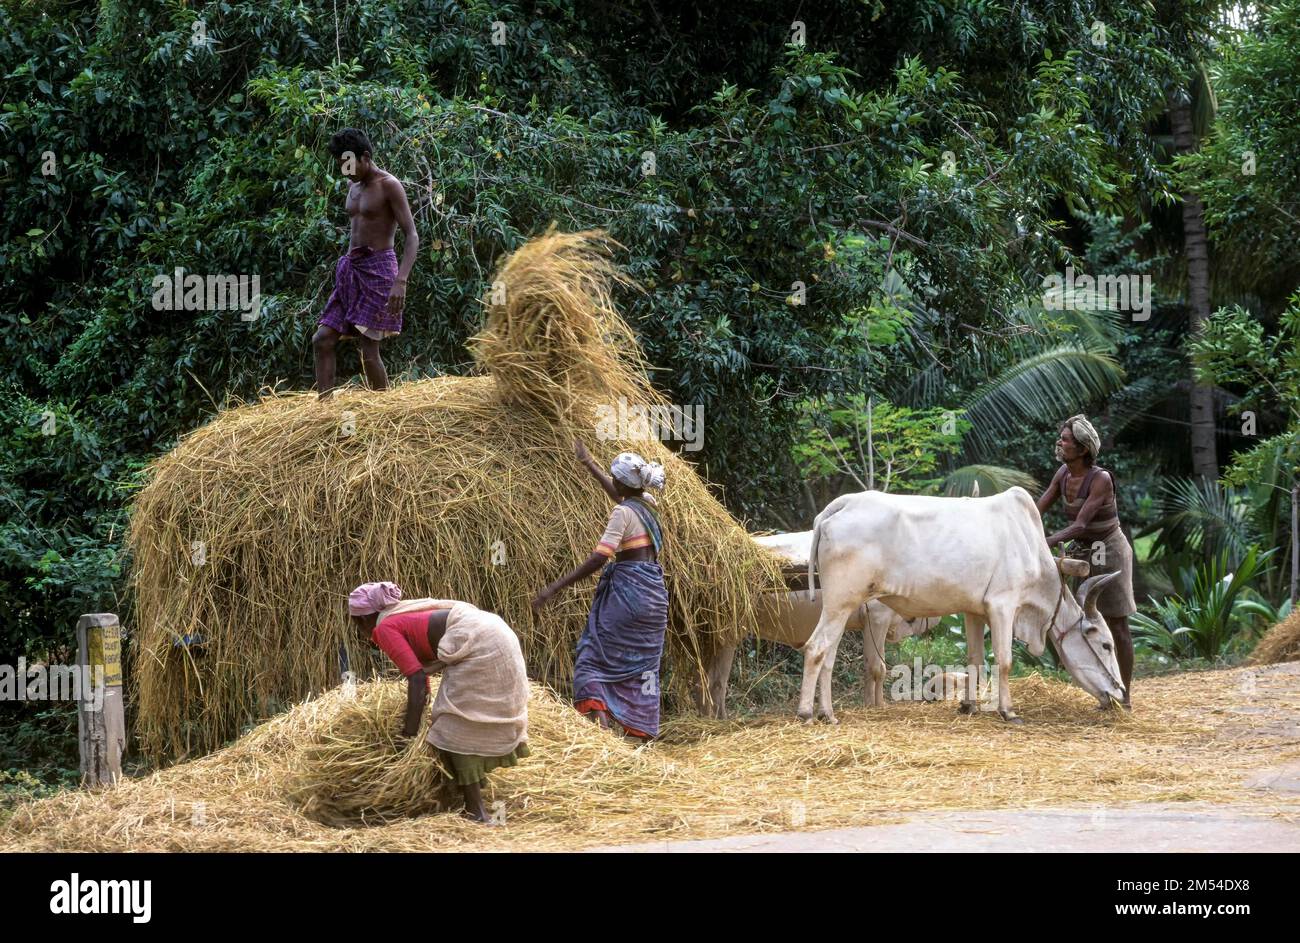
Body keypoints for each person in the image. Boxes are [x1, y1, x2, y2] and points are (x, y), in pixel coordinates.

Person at [348, 581, 529, 822]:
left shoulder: (384, 629)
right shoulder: (403, 613)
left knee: (454, 727)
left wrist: (409, 735)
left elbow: (416, 679)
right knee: (456, 721)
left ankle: (476, 811)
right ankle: (464, 801)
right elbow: (422, 674)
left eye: (357, 626)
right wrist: (422, 709)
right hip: (495, 632)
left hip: (480, 643)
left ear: (362, 621)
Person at [531, 442, 669, 741]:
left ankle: (602, 740)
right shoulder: (647, 506)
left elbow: (599, 558)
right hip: (655, 597)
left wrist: (553, 588)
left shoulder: (622, 513)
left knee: (591, 661)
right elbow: (623, 497)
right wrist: (590, 465)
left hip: (628, 594)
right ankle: (641, 731)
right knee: (644, 666)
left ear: (621, 482)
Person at [1035, 414, 1137, 708]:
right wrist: (1017, 525)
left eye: (1066, 440)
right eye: (1061, 437)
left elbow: (1080, 525)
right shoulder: (1063, 474)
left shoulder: (1100, 478)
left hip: (1110, 551)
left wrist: (1046, 542)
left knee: (1117, 626)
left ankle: (1124, 698)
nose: (1060, 442)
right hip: (1083, 554)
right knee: (1085, 624)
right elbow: (1037, 509)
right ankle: (1103, 690)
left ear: (1082, 449)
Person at [313, 128, 420, 396]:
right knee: (322, 339)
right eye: (340, 165)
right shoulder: (352, 186)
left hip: (380, 270)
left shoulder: (389, 185)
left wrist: (401, 281)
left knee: (368, 348)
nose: (345, 170)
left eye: (349, 163)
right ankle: (323, 411)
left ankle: (384, 412)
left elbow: (412, 236)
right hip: (351, 269)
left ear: (366, 157)